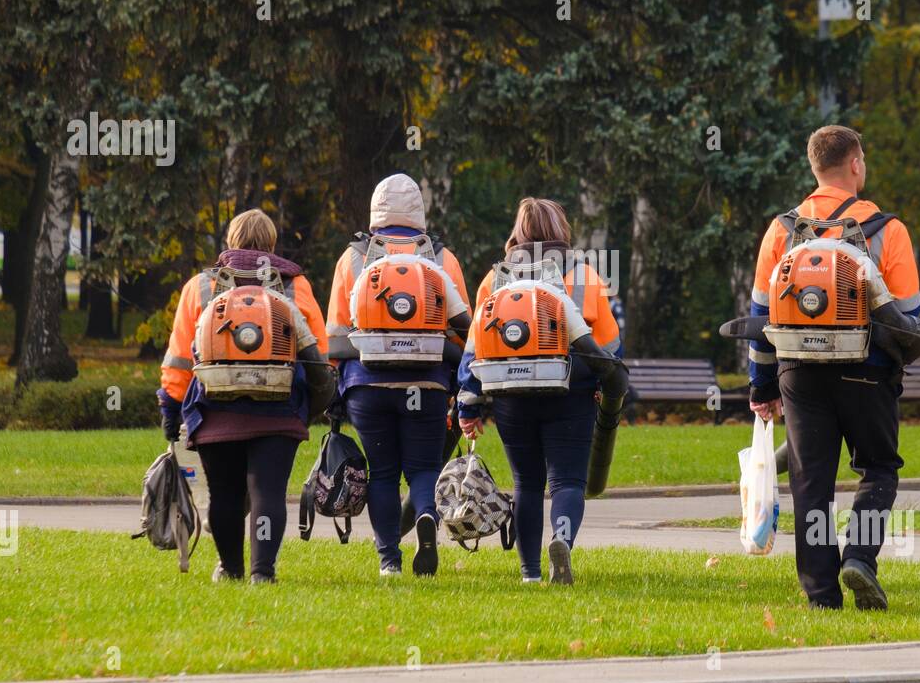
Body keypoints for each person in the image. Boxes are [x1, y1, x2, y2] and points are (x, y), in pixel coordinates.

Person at [748, 126, 920, 611]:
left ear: (814, 167)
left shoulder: (782, 229)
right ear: (856, 166)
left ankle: (821, 595)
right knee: (878, 466)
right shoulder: (889, 229)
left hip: (799, 371)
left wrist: (762, 385)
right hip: (866, 367)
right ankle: (860, 559)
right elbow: (908, 313)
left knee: (810, 480)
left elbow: (760, 315)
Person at [158, 209, 334, 584]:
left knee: (224, 493)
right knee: (267, 491)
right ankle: (262, 572)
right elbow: (320, 351)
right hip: (279, 407)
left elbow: (179, 357)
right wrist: (314, 405)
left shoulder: (201, 286)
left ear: (230, 243)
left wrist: (170, 407)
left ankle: (231, 569)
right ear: (271, 245)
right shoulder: (294, 285)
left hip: (214, 407)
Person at [457, 198, 624, 585]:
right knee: (567, 481)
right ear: (561, 231)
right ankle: (561, 540)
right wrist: (605, 384)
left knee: (525, 483)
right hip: (571, 390)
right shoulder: (584, 277)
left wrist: (468, 404)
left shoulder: (494, 279)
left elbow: (473, 349)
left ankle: (530, 573)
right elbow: (611, 348)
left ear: (519, 232)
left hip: (511, 394)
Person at [325, 173, 471, 577]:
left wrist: (335, 393)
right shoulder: (442, 259)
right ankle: (426, 516)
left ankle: (389, 560)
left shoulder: (354, 257)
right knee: (423, 469)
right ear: (419, 214)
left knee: (383, 472)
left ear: (375, 213)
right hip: (427, 383)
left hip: (367, 386)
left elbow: (336, 334)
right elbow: (465, 331)